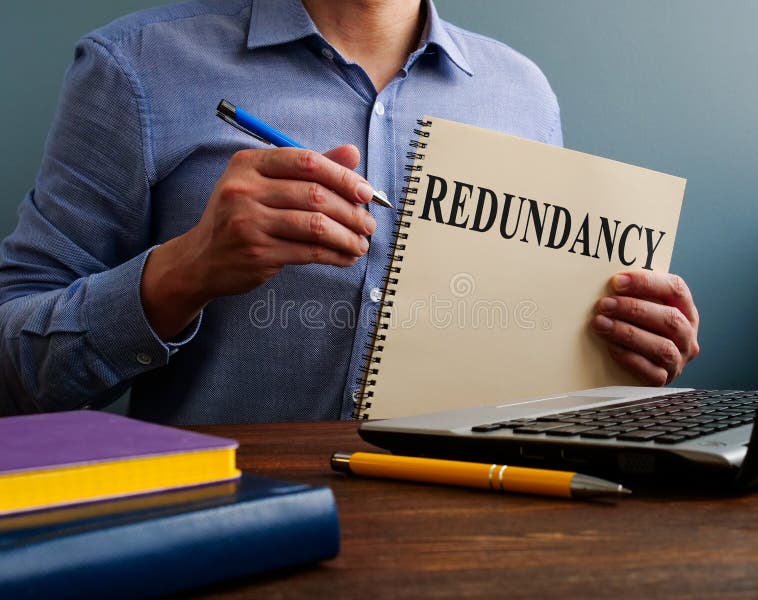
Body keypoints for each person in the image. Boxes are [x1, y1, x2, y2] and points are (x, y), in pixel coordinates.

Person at [0, 0, 699, 424]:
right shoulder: (135, 69)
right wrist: (184, 271)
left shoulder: (524, 94)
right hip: (224, 532)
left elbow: (532, 368)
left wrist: (611, 352)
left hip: (476, 532)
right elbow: (12, 375)